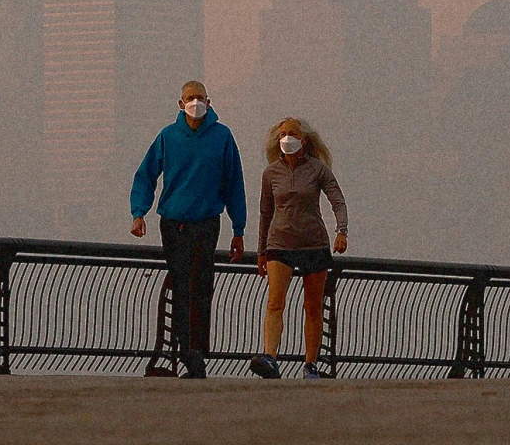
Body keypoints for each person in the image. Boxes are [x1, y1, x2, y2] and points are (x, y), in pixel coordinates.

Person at [130, 80, 248, 379]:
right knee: (182, 285)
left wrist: (238, 229)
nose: (195, 103)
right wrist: (138, 213)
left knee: (201, 286)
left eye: (200, 98)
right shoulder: (168, 137)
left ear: (208, 101)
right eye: (190, 98)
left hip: (206, 223)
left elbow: (234, 184)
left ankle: (197, 350)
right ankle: (187, 350)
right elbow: (146, 175)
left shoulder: (222, 137)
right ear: (180, 104)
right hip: (173, 224)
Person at [249, 117, 348, 380]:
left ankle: (311, 364)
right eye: (283, 134)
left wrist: (342, 231)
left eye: (292, 133)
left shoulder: (318, 169)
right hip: (279, 244)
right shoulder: (271, 173)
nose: (287, 138)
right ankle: (270, 357)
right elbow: (265, 212)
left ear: (303, 140)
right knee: (275, 302)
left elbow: (337, 200)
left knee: (313, 306)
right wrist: (261, 250)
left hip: (313, 243)